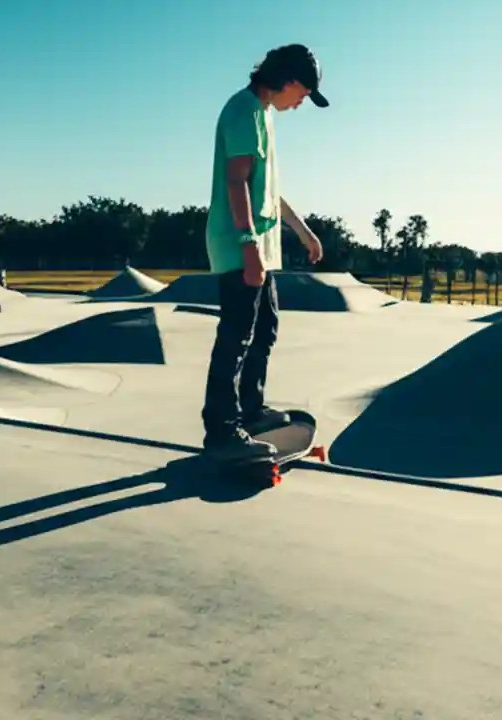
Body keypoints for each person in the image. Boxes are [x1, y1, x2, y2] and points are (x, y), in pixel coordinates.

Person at [200, 44, 327, 458]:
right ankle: (221, 427)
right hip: (242, 244)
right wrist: (249, 245)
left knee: (264, 329)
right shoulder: (243, 112)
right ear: (289, 81)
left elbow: (267, 190)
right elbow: (236, 182)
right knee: (236, 335)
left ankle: (250, 410)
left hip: (260, 245)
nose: (301, 102)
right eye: (304, 94)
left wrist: (302, 231)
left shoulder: (265, 115)